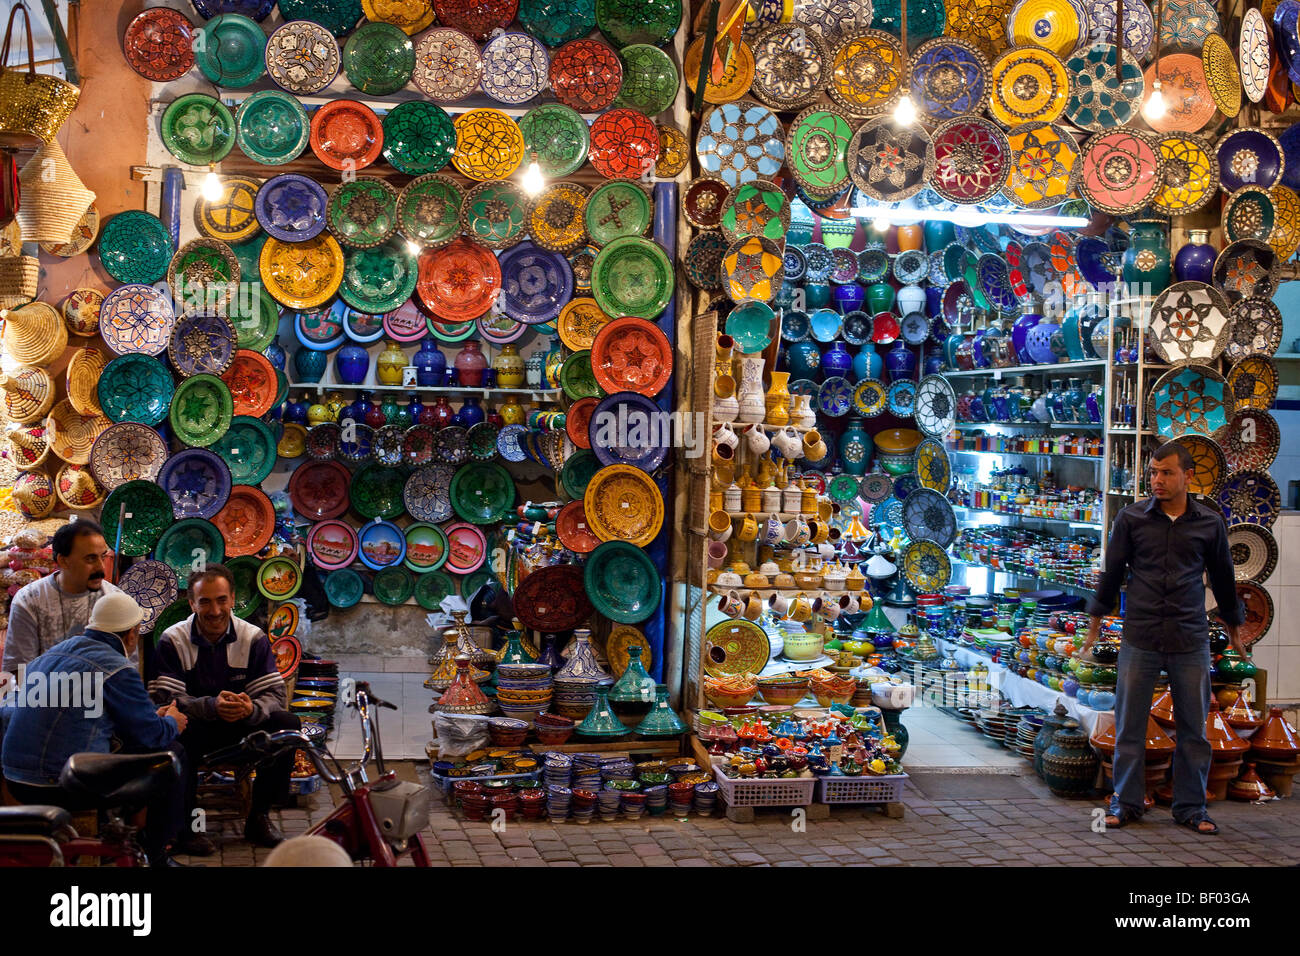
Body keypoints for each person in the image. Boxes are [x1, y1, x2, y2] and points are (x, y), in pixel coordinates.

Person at [1078, 441, 1246, 835]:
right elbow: (1113, 572)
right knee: (1130, 726)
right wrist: (1095, 622)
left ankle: (1191, 808)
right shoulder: (1132, 519)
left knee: (1193, 730)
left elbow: (1223, 579)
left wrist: (1235, 630)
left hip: (1190, 636)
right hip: (1141, 634)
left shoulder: (1210, 523)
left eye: (1166, 473)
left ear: (1188, 476)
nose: (1157, 480)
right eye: (1153, 472)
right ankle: (1126, 802)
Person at [1, 592, 188, 867]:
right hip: (60, 785)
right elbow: (151, 735)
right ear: (133, 634)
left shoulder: (50, 656)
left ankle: (121, 837)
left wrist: (152, 719)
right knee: (172, 753)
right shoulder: (117, 667)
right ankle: (157, 854)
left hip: (16, 780)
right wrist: (172, 721)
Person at [148, 564, 299, 852]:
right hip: (196, 731)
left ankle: (259, 817)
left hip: (241, 728)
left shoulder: (252, 637)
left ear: (232, 599)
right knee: (173, 735)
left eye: (221, 600)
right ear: (192, 604)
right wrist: (211, 706)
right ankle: (189, 829)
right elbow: (165, 702)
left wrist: (249, 708)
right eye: (204, 601)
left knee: (288, 726)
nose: (215, 610)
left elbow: (274, 695)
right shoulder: (173, 639)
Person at [2, 519, 123, 678]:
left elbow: (125, 669)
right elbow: (19, 670)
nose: (101, 567)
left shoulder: (115, 601)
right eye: (90, 559)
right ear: (63, 561)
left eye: (102, 556)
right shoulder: (29, 600)